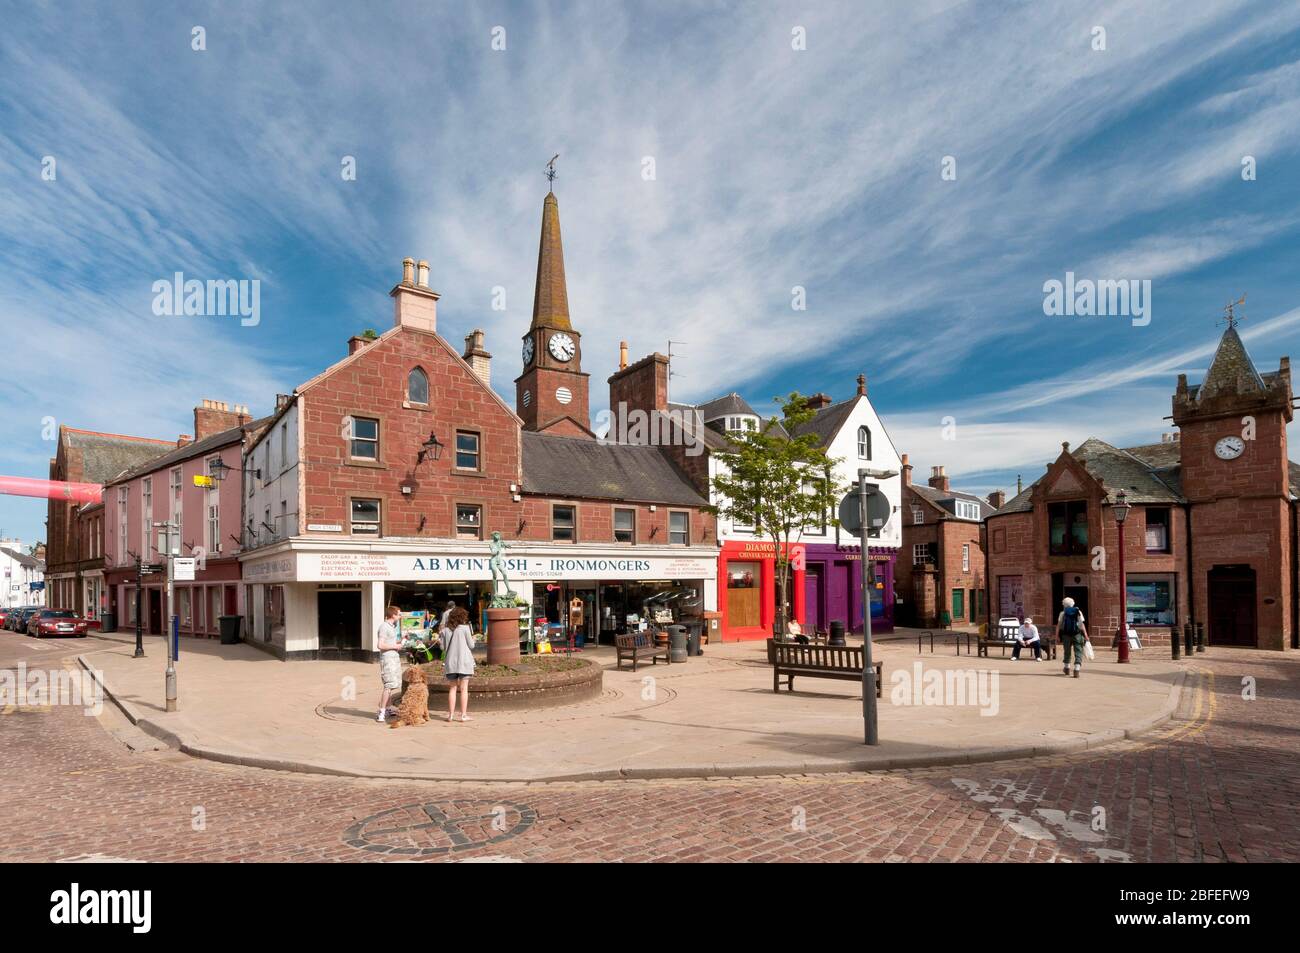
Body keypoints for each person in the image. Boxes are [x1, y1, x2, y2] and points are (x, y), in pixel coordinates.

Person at [442, 606, 476, 722]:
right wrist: (473, 639)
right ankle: (463, 715)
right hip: (464, 662)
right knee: (464, 688)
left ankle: (450, 715)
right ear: (462, 617)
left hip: (451, 663)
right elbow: (471, 646)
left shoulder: (446, 630)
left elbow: (444, 648)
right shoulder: (465, 629)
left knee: (452, 688)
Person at [376, 605, 404, 723]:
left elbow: (389, 643)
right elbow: (380, 645)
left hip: (393, 658)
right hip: (388, 660)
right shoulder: (384, 627)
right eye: (399, 614)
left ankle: (388, 708)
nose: (400, 616)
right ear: (393, 615)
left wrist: (400, 641)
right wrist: (395, 646)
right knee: (388, 685)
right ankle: (381, 712)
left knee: (392, 684)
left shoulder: (391, 627)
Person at [1056, 597, 1089, 677]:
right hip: (1077, 634)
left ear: (1064, 604)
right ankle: (1076, 670)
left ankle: (1067, 669)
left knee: (1067, 651)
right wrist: (1086, 635)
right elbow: (1081, 624)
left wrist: (1057, 636)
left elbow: (1059, 625)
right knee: (1078, 651)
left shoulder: (1062, 613)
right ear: (1073, 603)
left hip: (1066, 635)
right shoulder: (1078, 612)